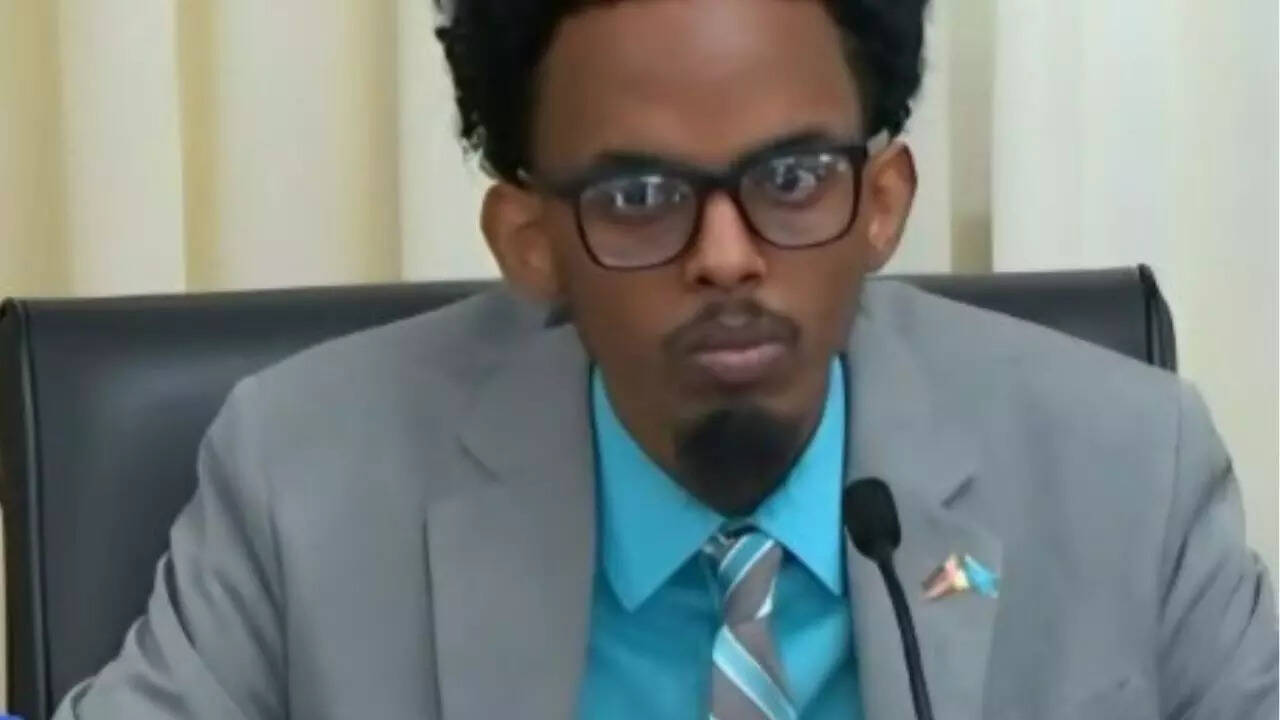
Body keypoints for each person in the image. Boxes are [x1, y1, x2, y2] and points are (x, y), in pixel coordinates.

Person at [54, 0, 1277, 718]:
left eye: (790, 178)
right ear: (529, 241)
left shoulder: (1130, 468)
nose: (726, 258)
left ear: (881, 203)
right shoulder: (305, 475)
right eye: (640, 196)